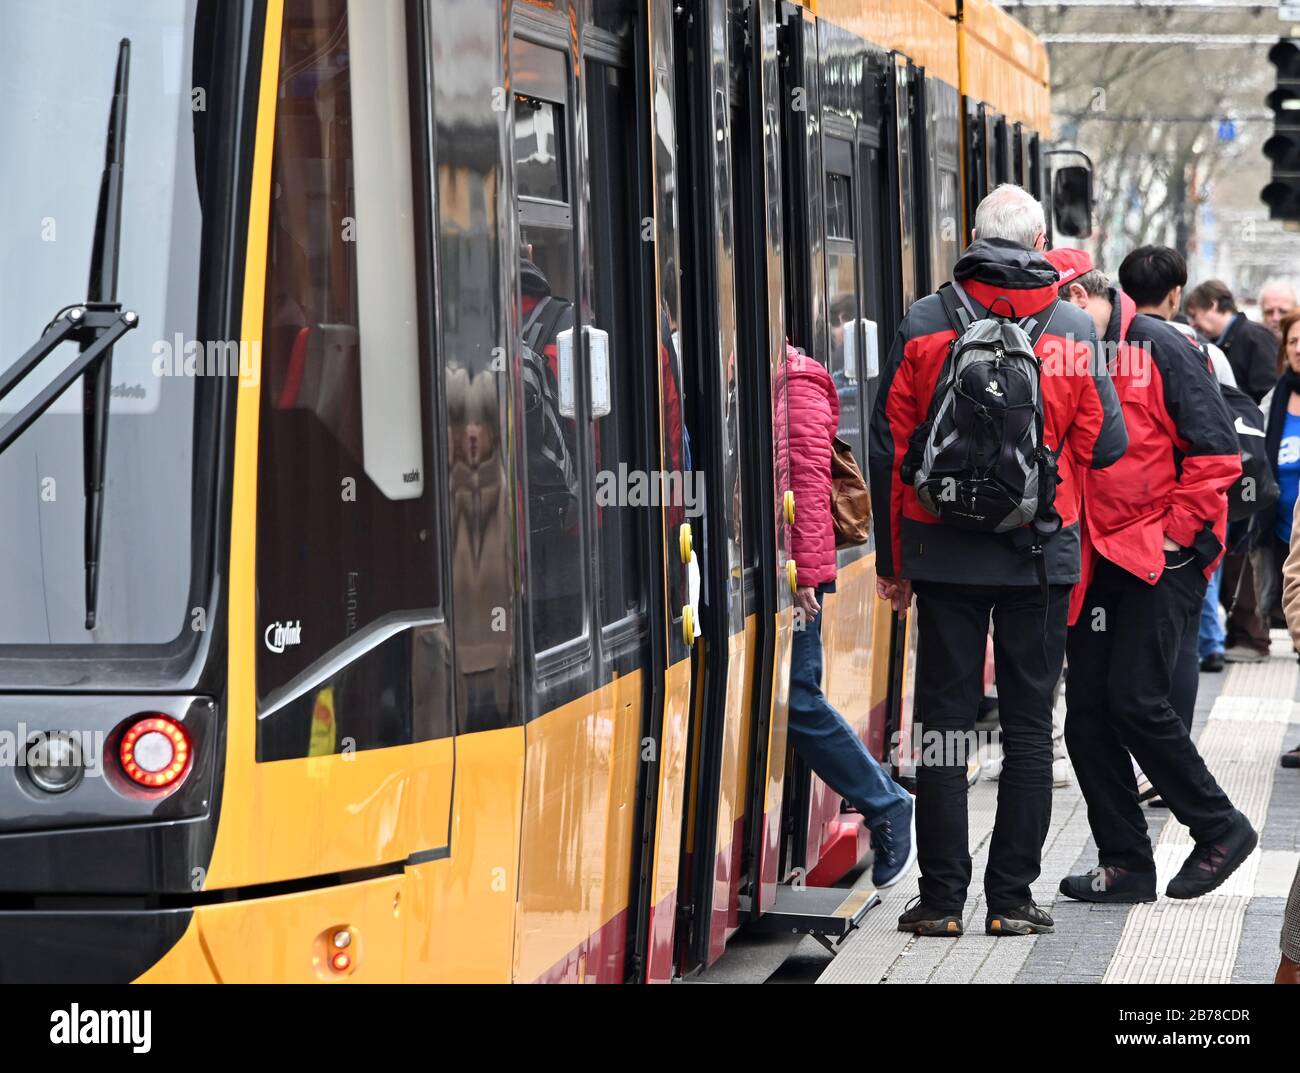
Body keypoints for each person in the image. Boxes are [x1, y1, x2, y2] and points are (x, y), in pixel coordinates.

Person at [869, 184, 1127, 937]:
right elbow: (1106, 446)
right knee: (1026, 730)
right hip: (1039, 555)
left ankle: (943, 900)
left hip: (942, 552)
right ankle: (1011, 901)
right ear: (1040, 239)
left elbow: (892, 444)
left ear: (973, 236)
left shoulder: (924, 318)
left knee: (945, 725)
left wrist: (896, 560)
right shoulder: (1075, 324)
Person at [1059, 245, 1258, 906]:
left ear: (1085, 298)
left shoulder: (1159, 347)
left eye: (1060, 313)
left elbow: (1218, 450)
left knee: (1136, 699)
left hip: (1159, 554)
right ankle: (1125, 863)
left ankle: (1219, 826)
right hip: (1101, 557)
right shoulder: (1077, 348)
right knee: (1086, 715)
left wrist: (1175, 535)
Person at [783, 341, 916, 889]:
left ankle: (885, 802)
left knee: (798, 698)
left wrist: (805, 575)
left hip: (795, 577)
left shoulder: (797, 382)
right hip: (781, 568)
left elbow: (809, 488)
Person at [1185, 279, 1277, 403]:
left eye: (1194, 315)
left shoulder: (1256, 337)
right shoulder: (1214, 343)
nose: (1193, 324)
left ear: (1213, 305)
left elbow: (1268, 392)